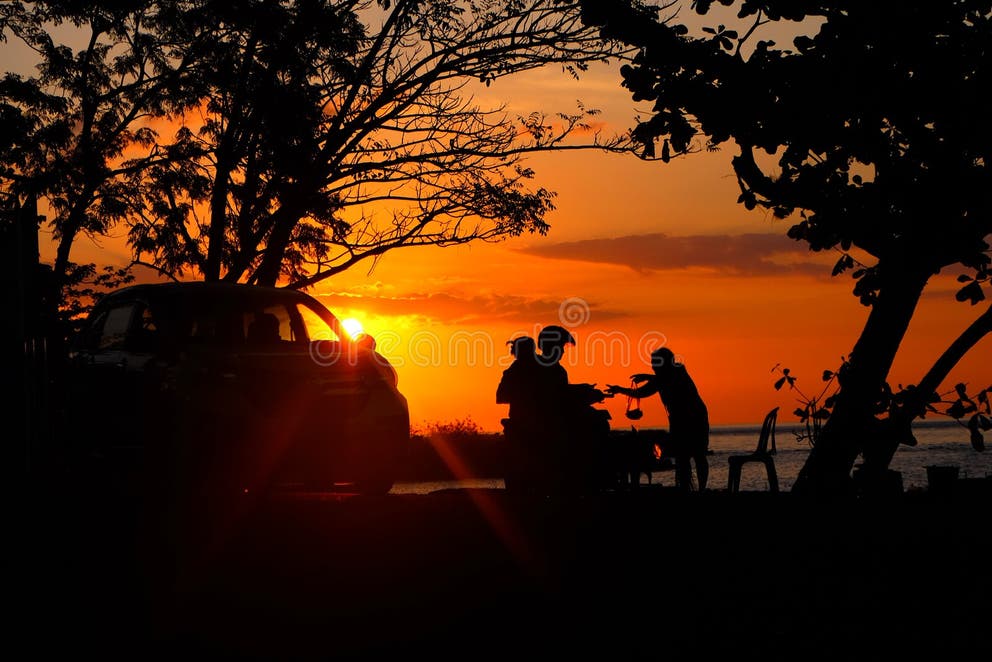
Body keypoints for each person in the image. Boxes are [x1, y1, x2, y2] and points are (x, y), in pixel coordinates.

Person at [607, 347, 710, 491]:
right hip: (678, 420)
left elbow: (667, 380)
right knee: (682, 456)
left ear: (665, 362)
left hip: (695, 418)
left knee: (698, 454)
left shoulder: (678, 371)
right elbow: (643, 391)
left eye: (655, 363)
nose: (653, 366)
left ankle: (702, 490)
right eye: (652, 363)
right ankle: (686, 489)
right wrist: (621, 389)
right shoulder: (661, 378)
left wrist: (646, 377)